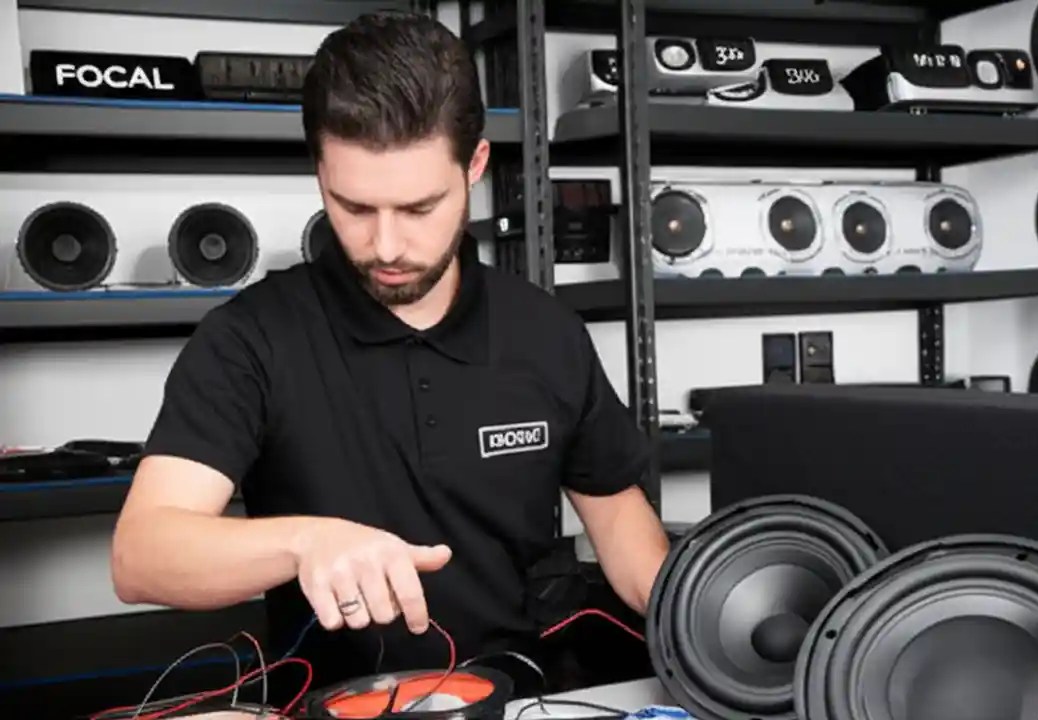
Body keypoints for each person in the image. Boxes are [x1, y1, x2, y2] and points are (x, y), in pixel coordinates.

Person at [110, 11, 670, 692]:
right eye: (354, 207)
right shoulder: (250, 338)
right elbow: (142, 557)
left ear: (476, 166)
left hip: (518, 697)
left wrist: (706, 623)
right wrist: (306, 542)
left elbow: (626, 537)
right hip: (328, 703)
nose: (386, 246)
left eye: (418, 209)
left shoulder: (546, 333)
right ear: (320, 172)